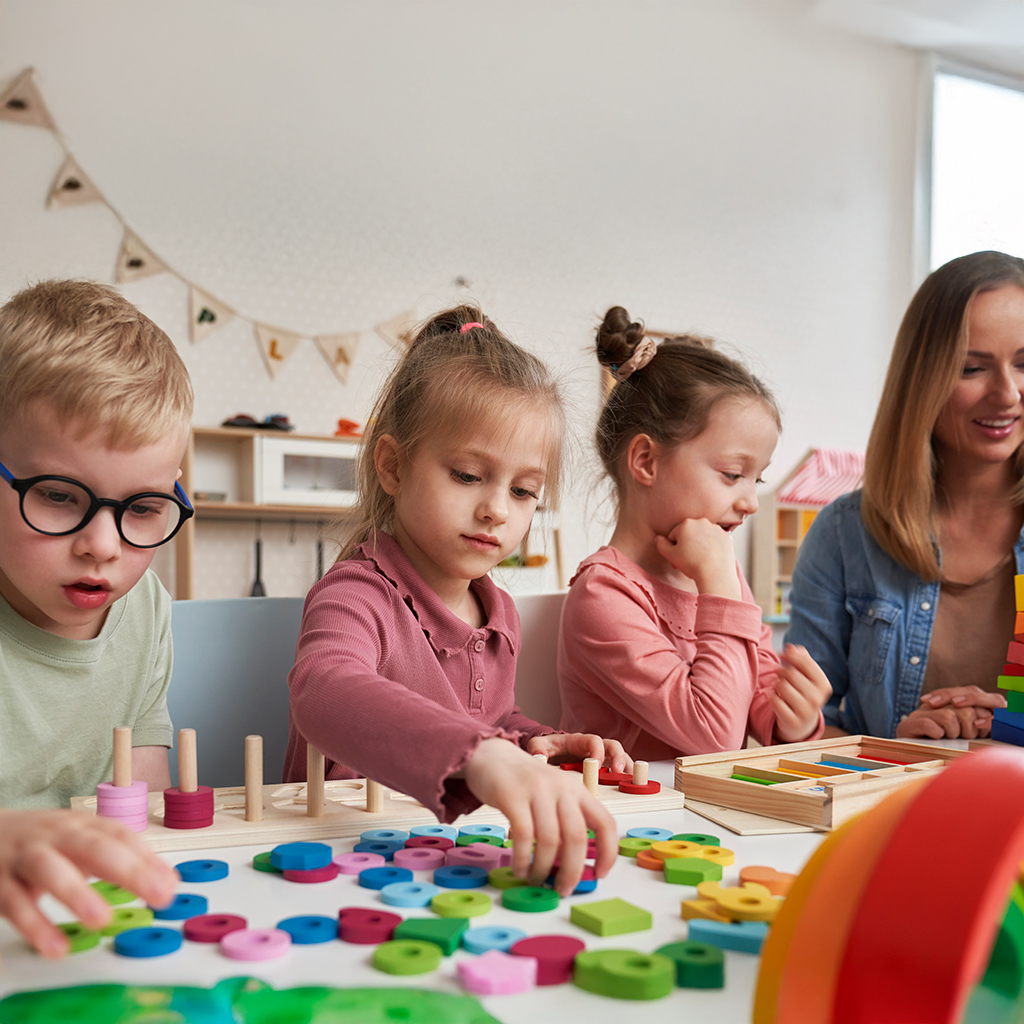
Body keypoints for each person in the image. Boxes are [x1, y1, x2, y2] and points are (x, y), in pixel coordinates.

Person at [284, 306, 630, 895]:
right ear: (393, 467)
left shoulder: (499, 614)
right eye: (468, 475)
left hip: (445, 861)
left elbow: (486, 720)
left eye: (524, 490)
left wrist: (529, 742)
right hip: (339, 867)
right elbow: (322, 688)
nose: (496, 509)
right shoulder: (355, 594)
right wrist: (484, 756)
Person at [0, 279, 194, 952]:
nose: (103, 546)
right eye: (58, 496)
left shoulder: (145, 606)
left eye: (142, 508)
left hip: (85, 927)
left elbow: (140, 810)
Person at [558, 306, 830, 760]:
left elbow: (756, 693)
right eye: (732, 474)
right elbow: (713, 736)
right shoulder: (603, 595)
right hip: (628, 806)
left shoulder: (718, 574)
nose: (750, 502)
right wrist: (719, 585)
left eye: (757, 479)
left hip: (702, 804)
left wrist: (791, 719)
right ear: (646, 461)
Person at [786, 251, 1024, 739]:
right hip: (893, 792)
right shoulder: (843, 534)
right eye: (971, 368)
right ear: (922, 378)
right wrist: (896, 752)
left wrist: (1012, 728)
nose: (1007, 394)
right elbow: (804, 731)